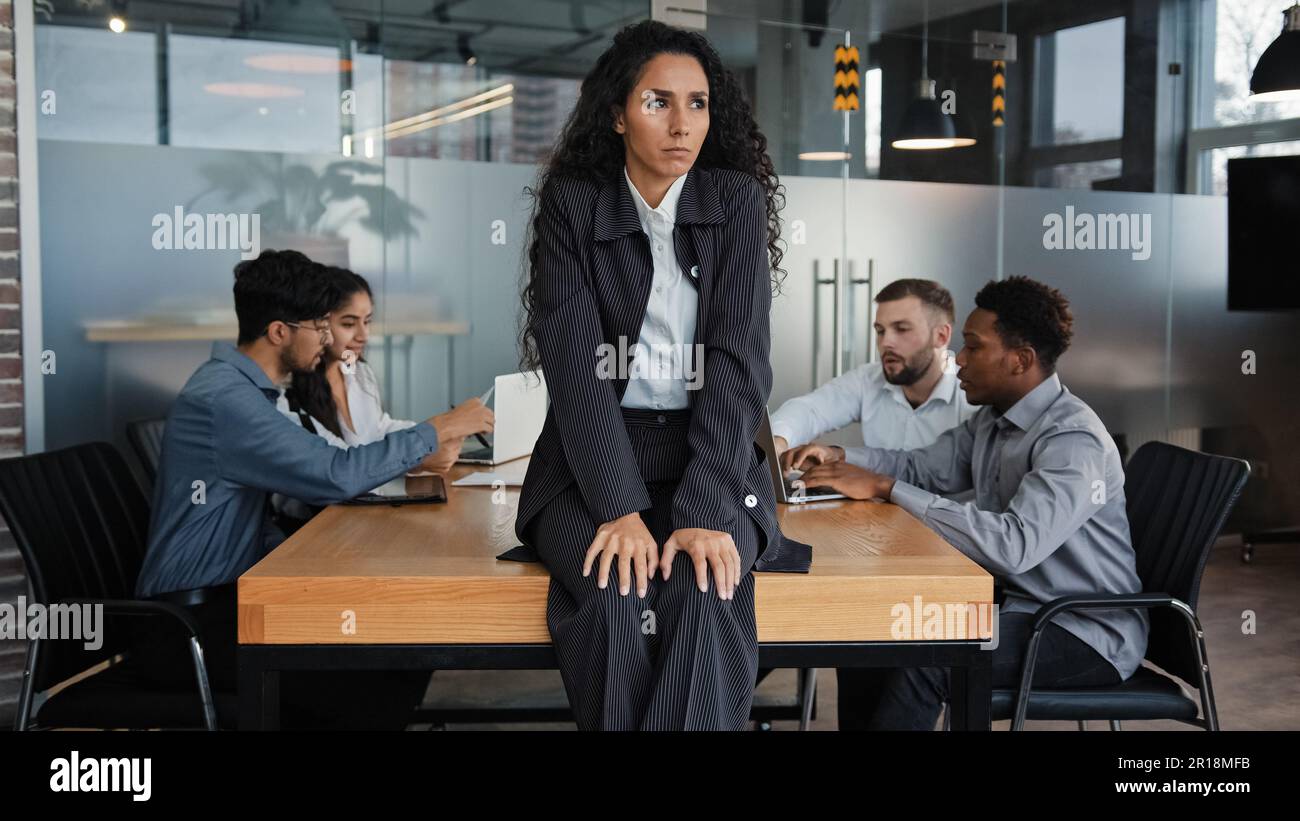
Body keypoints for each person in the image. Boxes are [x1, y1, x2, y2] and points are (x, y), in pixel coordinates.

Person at [514, 19, 797, 730]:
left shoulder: (731, 201)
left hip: (715, 456)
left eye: (697, 103)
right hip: (592, 463)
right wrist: (616, 506)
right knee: (613, 590)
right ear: (617, 114)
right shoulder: (573, 205)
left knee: (704, 588)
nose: (682, 124)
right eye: (657, 102)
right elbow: (576, 370)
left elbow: (737, 368)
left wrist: (705, 511)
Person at [133, 249, 493, 729]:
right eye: (318, 327)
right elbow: (333, 474)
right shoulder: (227, 401)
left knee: (399, 638)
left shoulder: (245, 391)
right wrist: (441, 426)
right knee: (383, 664)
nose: (328, 340)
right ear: (280, 332)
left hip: (227, 601)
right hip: (189, 628)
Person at [788, 276, 1148, 730]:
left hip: (1081, 631)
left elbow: (1013, 546)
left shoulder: (1071, 439)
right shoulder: (993, 421)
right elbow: (922, 468)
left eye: (974, 347)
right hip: (1020, 607)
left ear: (1020, 360)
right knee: (874, 628)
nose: (958, 358)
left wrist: (883, 487)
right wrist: (843, 457)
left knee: (932, 657)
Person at [770, 278, 975, 469]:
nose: (886, 342)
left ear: (941, 336)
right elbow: (811, 410)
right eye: (880, 331)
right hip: (879, 508)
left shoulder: (972, 397)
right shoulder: (868, 379)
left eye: (902, 329)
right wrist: (779, 441)